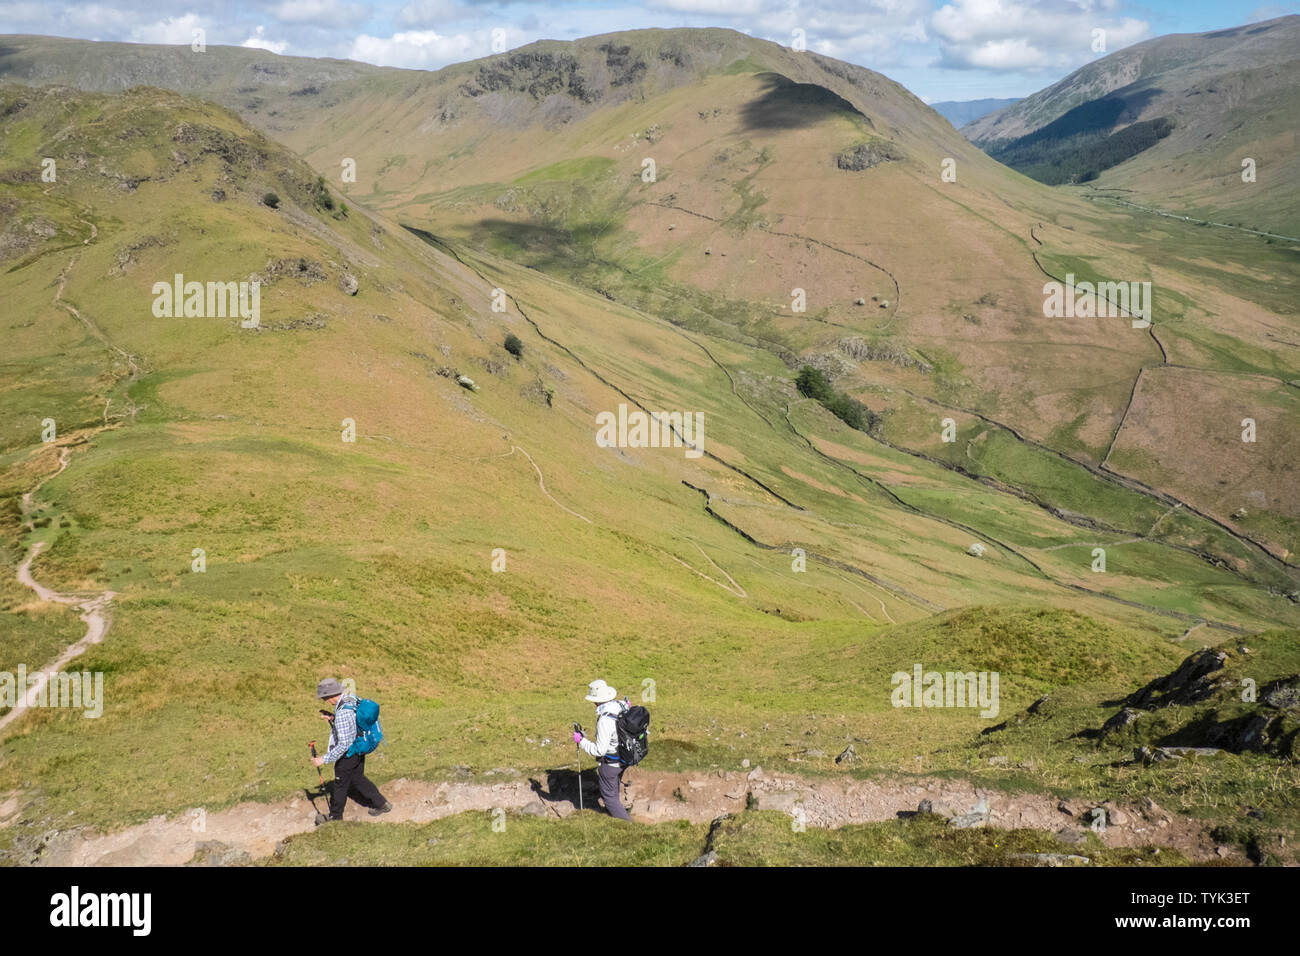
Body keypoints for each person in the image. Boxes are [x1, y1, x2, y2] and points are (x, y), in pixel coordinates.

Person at [312, 677, 392, 822]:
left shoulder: (343, 712)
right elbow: (353, 721)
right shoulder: (351, 698)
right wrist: (332, 717)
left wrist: (323, 759)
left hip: (349, 752)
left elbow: (343, 744)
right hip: (360, 746)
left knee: (340, 784)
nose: (325, 701)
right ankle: (382, 804)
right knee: (358, 778)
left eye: (325, 698)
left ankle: (335, 818)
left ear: (330, 695)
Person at [574, 679, 632, 821]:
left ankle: (627, 825)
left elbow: (599, 751)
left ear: (596, 700)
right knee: (614, 786)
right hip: (625, 756)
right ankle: (618, 813)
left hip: (611, 763)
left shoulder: (605, 720)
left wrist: (581, 741)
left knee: (609, 797)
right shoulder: (621, 705)